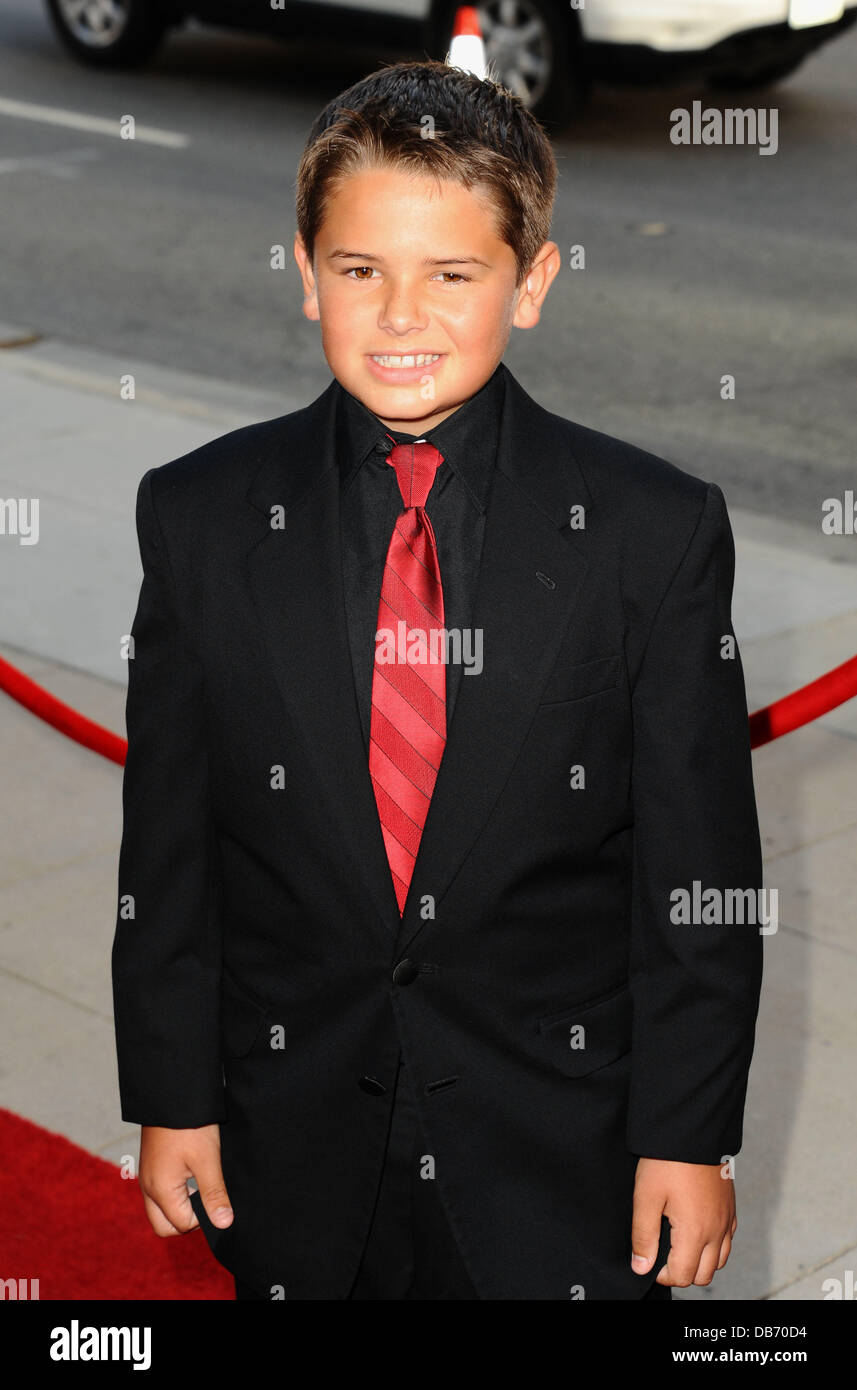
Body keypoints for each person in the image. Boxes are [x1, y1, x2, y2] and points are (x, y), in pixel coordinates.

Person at [112, 59, 764, 1301]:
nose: (400, 316)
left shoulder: (649, 530)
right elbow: (170, 855)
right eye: (360, 271)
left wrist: (686, 1132)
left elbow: (698, 877)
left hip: (558, 1152)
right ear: (304, 273)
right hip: (291, 1130)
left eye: (452, 275)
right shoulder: (198, 517)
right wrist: (174, 1094)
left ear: (533, 284)